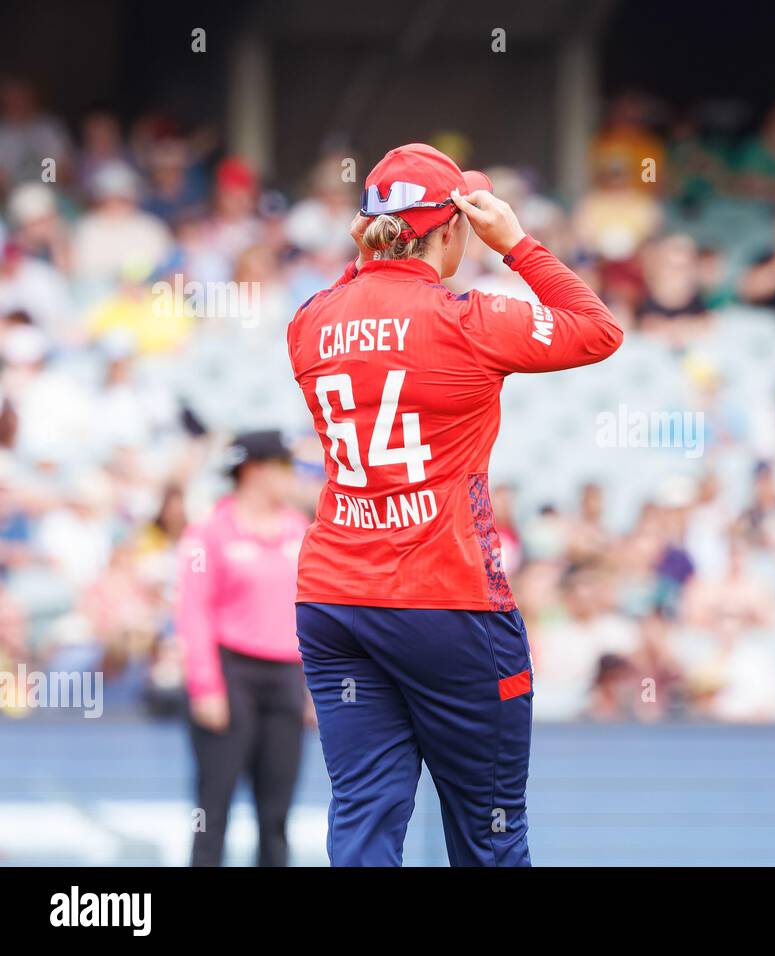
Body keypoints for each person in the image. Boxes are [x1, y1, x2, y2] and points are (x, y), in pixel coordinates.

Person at [288, 143, 622, 866]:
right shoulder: (468, 318)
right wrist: (519, 245)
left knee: (364, 820)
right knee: (490, 834)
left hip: (335, 598)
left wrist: (367, 265)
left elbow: (354, 303)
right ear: (452, 230)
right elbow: (599, 330)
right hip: (447, 598)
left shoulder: (310, 321)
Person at [174, 430, 310, 866]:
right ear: (254, 470)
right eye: (283, 466)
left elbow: (312, 611)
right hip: (231, 673)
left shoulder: (298, 530)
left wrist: (312, 685)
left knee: (276, 815)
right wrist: (205, 685)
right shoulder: (210, 531)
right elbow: (193, 610)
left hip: (286, 676)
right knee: (213, 809)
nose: (292, 476)